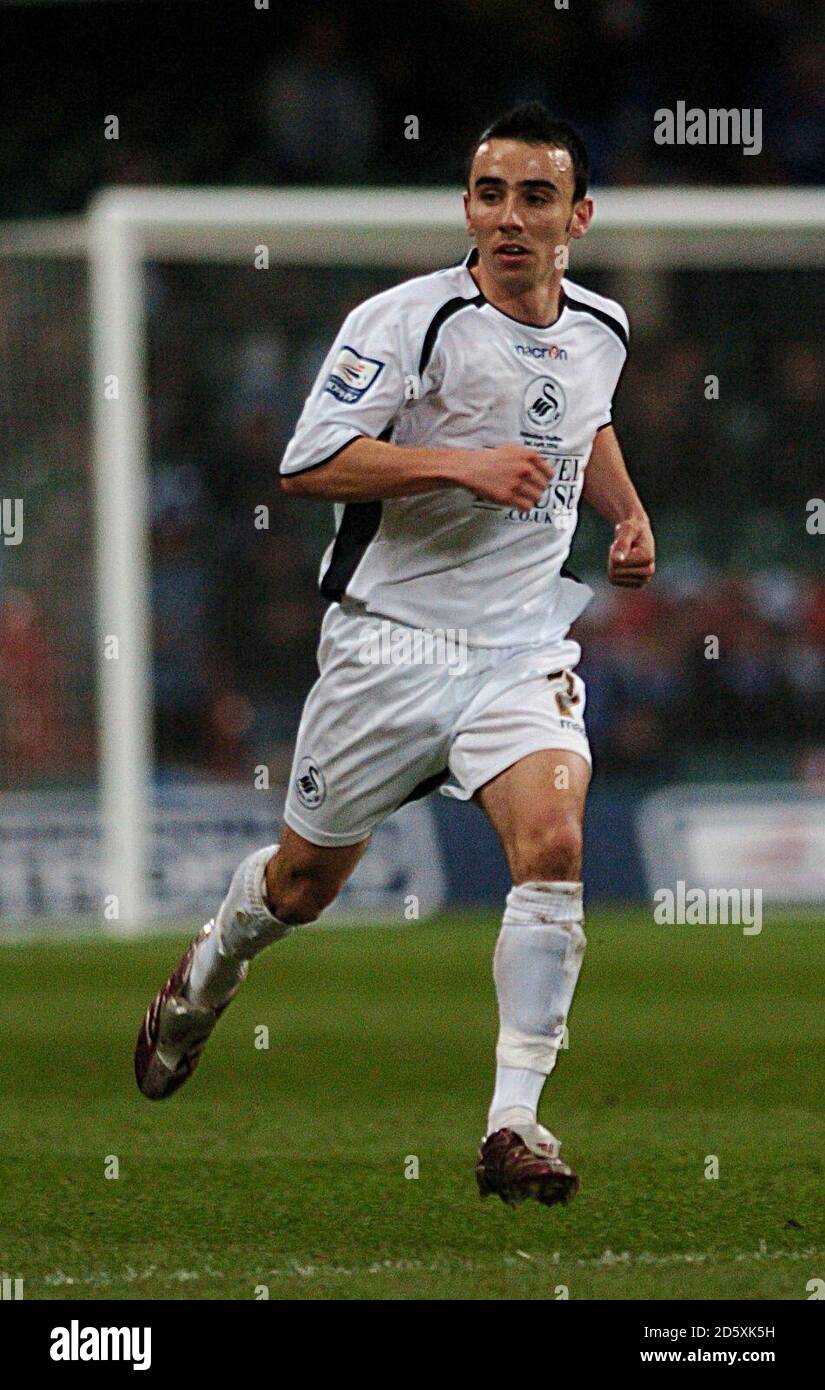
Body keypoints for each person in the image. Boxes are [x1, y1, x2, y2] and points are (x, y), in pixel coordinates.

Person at [135, 102, 655, 1209]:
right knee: (302, 885)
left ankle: (515, 1120)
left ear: (578, 216)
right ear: (467, 206)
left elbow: (585, 419)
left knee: (555, 839)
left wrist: (627, 511)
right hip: (387, 649)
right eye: (488, 194)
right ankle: (207, 974)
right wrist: (458, 467)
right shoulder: (406, 321)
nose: (507, 217)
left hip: (519, 647)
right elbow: (307, 463)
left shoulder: (602, 326)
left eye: (534, 197)